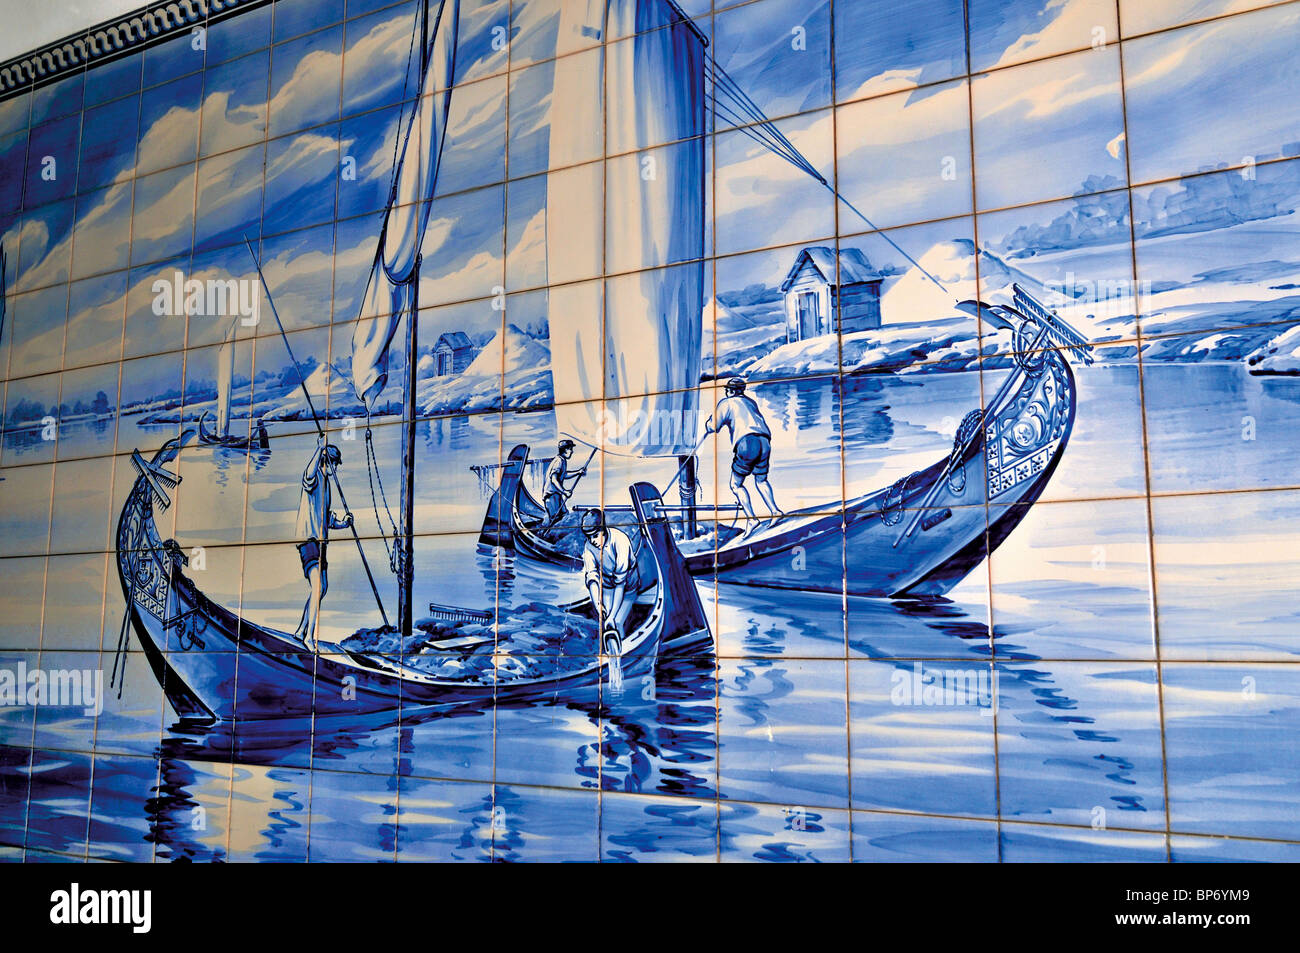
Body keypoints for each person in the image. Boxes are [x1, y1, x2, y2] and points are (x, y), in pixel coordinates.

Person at [295, 434, 353, 651]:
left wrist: (343, 523)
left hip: (321, 541)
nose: (336, 469)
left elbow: (327, 518)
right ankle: (309, 638)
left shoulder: (327, 484)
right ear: (326, 462)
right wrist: (318, 449)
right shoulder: (315, 477)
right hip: (308, 539)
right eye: (334, 465)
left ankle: (301, 629)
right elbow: (306, 476)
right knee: (317, 586)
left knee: (323, 587)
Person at [704, 377, 782, 534]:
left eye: (727, 389)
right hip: (764, 441)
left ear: (731, 391)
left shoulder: (726, 403)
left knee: (736, 484)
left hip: (747, 443)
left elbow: (713, 426)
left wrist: (707, 424)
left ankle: (752, 520)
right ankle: (775, 511)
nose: (726, 392)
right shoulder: (750, 402)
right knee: (761, 480)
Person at [579, 509, 638, 655]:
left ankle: (621, 655)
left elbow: (621, 583)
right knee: (604, 621)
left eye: (595, 535)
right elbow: (592, 578)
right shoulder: (588, 548)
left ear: (603, 530)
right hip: (607, 586)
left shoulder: (621, 541)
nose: (592, 540)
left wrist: (611, 616)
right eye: (589, 537)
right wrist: (598, 606)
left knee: (616, 622)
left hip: (627, 586)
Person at [542, 438, 587, 527]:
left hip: (556, 495)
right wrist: (564, 491)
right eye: (570, 449)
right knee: (555, 520)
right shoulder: (558, 461)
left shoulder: (562, 460)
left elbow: (564, 475)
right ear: (565, 450)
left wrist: (578, 472)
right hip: (551, 496)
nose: (572, 451)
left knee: (564, 515)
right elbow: (554, 479)